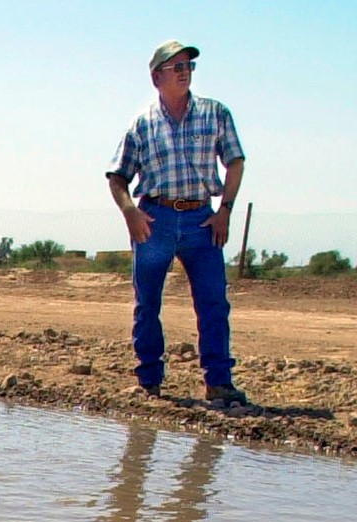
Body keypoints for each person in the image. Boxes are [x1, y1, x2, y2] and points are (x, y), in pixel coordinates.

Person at [107, 40, 249, 408]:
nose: (184, 71)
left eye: (188, 65)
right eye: (176, 66)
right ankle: (148, 381)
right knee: (147, 302)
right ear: (157, 78)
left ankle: (219, 383)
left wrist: (225, 211)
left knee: (214, 302)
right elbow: (116, 176)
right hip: (157, 219)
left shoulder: (215, 114)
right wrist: (130, 213)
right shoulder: (142, 124)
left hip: (203, 219)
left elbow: (235, 161)